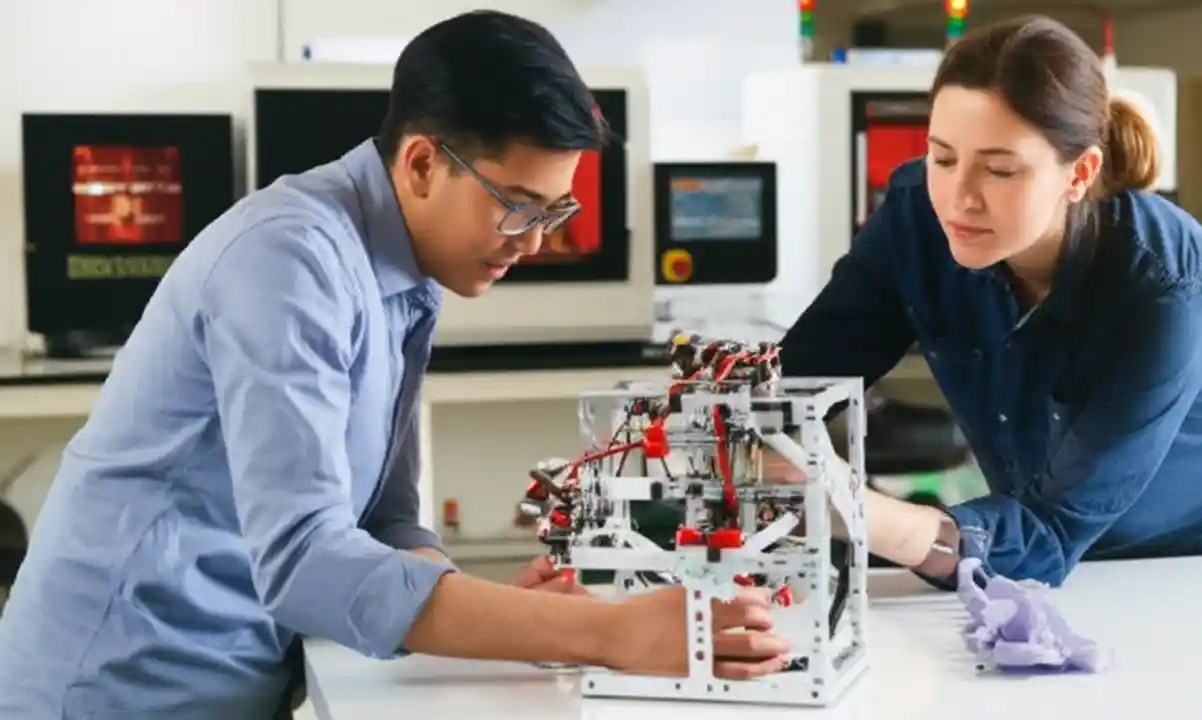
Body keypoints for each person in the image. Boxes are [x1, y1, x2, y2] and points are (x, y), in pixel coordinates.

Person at [0, 11, 788, 719]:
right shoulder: (289, 261)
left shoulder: (404, 270)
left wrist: (506, 616)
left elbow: (384, 520)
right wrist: (606, 633)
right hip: (116, 687)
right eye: (518, 205)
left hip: (224, 681)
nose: (534, 241)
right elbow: (308, 560)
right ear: (420, 165)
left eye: (556, 211)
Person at [777, 15, 1202, 589]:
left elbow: (1049, 533)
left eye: (1000, 170)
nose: (959, 198)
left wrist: (847, 503)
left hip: (1197, 564)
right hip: (1020, 557)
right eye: (942, 158)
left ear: (1080, 173)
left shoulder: (1164, 282)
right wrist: (740, 432)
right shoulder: (916, 218)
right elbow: (797, 383)